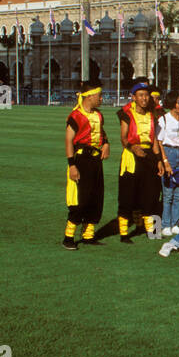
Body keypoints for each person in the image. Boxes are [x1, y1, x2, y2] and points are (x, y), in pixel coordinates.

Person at [63, 83, 109, 248]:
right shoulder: (76, 116)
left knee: (96, 197)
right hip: (81, 160)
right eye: (99, 95)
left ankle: (88, 235)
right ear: (90, 96)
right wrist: (72, 165)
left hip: (96, 161)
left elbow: (101, 134)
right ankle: (69, 237)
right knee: (80, 199)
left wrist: (106, 144)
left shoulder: (98, 115)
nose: (102, 98)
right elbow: (69, 140)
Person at [117, 82, 163, 243]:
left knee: (151, 192)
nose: (144, 98)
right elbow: (123, 137)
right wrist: (132, 147)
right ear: (134, 97)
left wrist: (159, 161)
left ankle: (151, 230)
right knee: (128, 194)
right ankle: (124, 233)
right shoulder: (126, 114)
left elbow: (155, 140)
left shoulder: (152, 114)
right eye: (141, 95)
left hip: (149, 154)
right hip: (132, 155)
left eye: (146, 95)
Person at [157, 90, 179, 237]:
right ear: (172, 104)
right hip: (169, 153)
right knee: (168, 193)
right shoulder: (164, 119)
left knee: (178, 193)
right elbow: (159, 142)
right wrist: (165, 161)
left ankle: (175, 224)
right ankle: (166, 224)